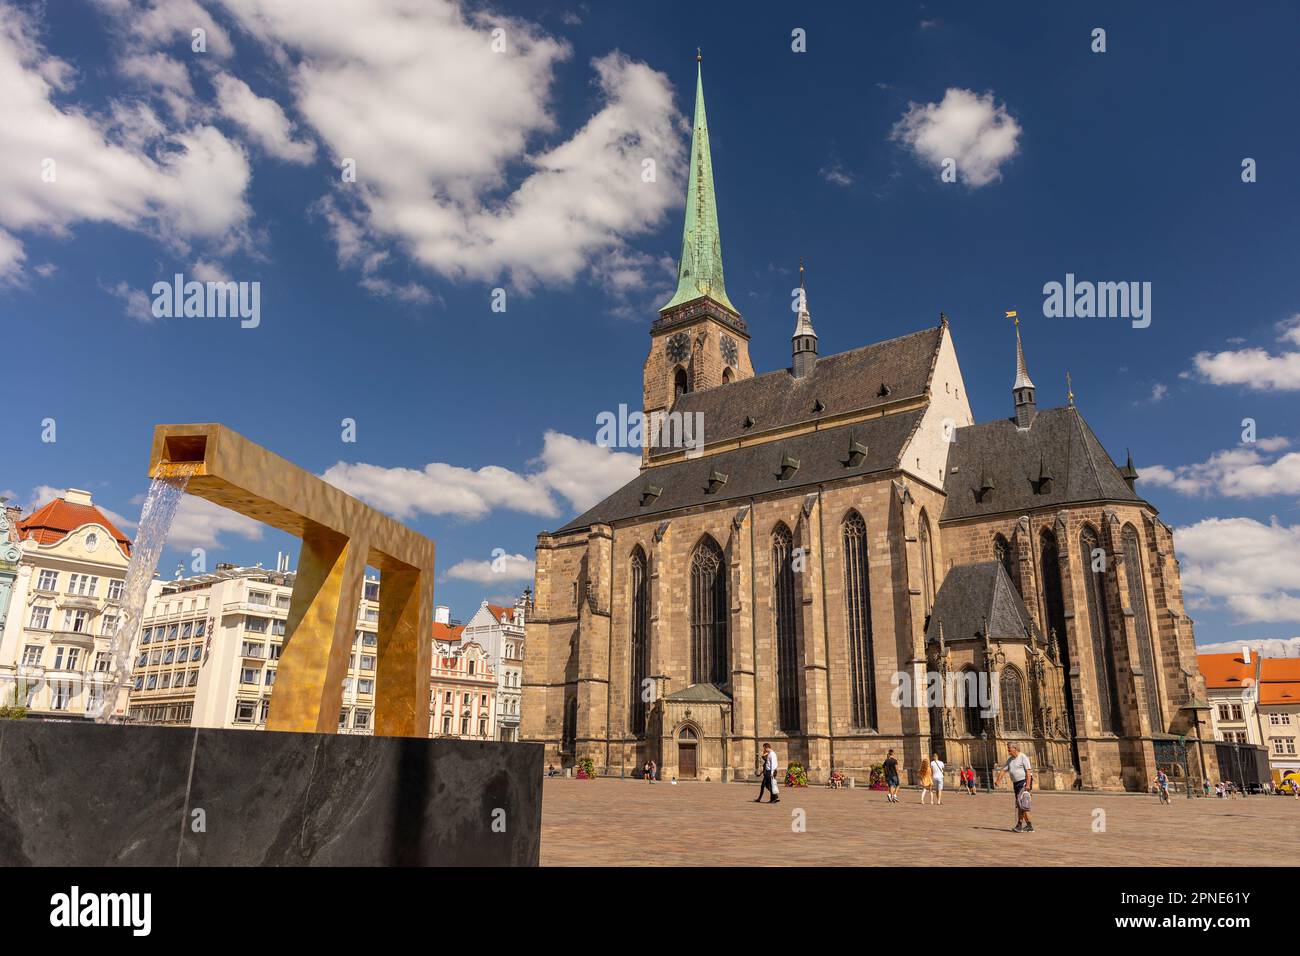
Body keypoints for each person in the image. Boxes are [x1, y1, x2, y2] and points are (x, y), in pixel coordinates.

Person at [993, 743, 1034, 832]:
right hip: (1016, 783)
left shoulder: (1023, 757)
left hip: (1024, 781)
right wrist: (998, 781)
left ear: (1015, 748)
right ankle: (1029, 825)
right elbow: (1003, 770)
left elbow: (1028, 771)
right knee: (1022, 804)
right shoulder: (1010, 760)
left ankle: (1019, 825)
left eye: (1009, 749)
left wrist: (1028, 784)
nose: (1008, 750)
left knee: (1021, 803)